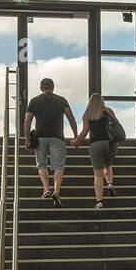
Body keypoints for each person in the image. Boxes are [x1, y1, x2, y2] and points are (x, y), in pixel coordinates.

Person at [23, 77, 78, 207]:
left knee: (41, 164)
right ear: (53, 87)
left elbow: (27, 120)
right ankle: (56, 191)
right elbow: (71, 117)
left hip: (40, 137)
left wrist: (27, 138)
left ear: (41, 88)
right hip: (57, 137)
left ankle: (46, 190)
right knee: (58, 166)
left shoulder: (34, 101)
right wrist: (76, 135)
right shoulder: (61, 100)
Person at [74, 93, 120, 209]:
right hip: (111, 143)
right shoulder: (109, 111)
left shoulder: (87, 114)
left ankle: (99, 202)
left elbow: (84, 132)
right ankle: (110, 184)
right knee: (108, 165)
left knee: (98, 175)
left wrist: (77, 141)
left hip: (95, 144)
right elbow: (116, 125)